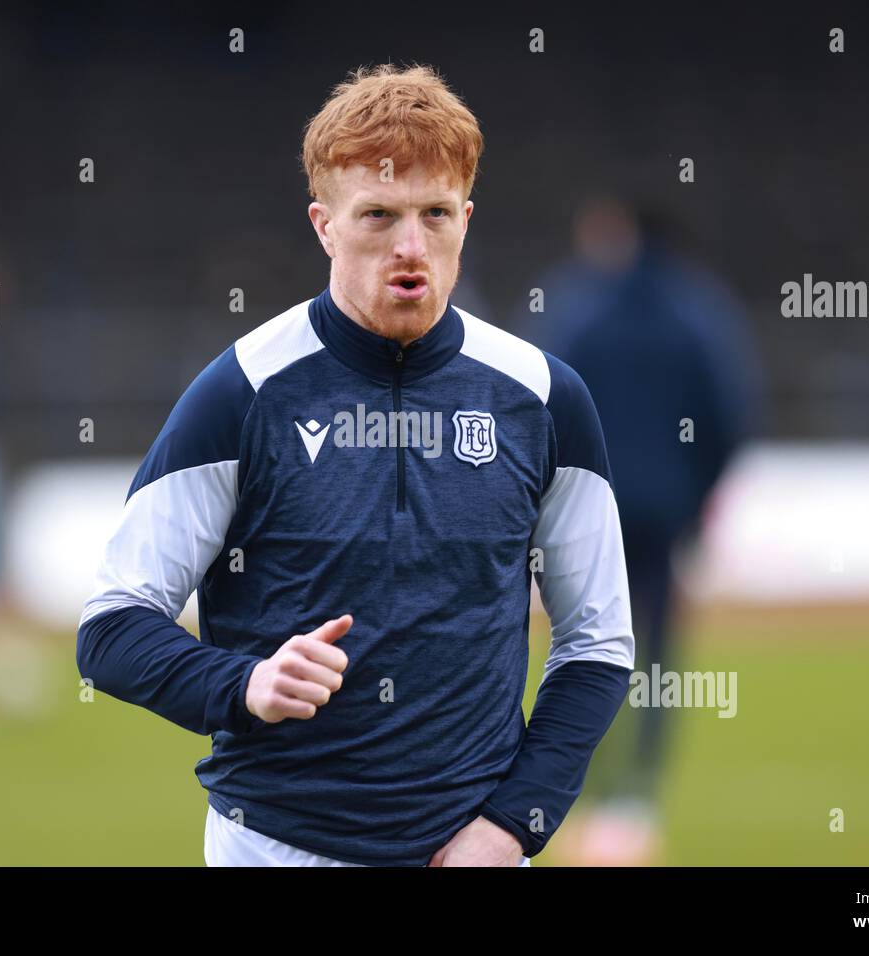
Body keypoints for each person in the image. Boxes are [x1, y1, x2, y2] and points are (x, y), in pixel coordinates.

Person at [77, 63, 635, 867]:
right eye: (378, 215)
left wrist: (515, 825)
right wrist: (243, 686)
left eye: (435, 214)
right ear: (324, 225)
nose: (411, 246)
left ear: (466, 220)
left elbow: (597, 645)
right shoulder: (242, 391)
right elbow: (111, 627)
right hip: (275, 848)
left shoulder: (546, 400)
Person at [527, 197, 761, 865]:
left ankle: (587, 790)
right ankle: (637, 797)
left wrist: (547, 501)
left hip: (584, 511)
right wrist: (698, 494)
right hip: (664, 510)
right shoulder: (699, 312)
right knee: (656, 652)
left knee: (579, 644)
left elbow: (538, 403)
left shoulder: (577, 307)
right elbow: (729, 413)